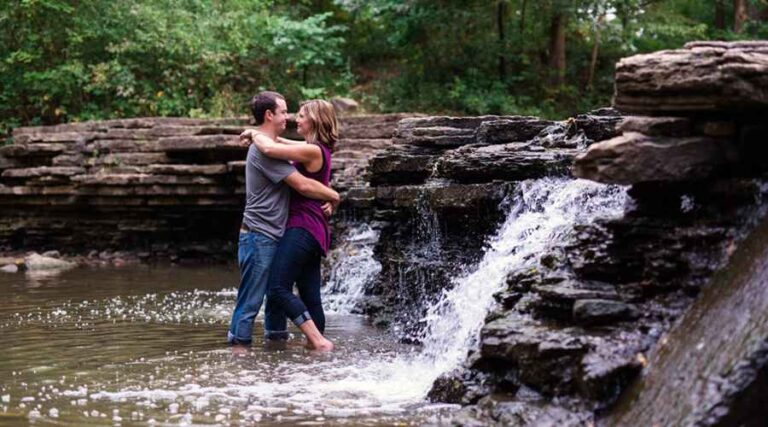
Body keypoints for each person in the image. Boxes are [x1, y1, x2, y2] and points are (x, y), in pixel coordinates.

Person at [227, 91, 340, 346]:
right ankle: (263, 348)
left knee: (277, 290)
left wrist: (334, 195)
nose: (291, 119)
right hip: (272, 232)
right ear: (269, 115)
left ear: (315, 120)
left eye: (299, 115)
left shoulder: (301, 150)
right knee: (284, 297)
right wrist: (257, 134)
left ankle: (315, 342)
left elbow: (301, 183)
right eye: (286, 112)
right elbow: (278, 148)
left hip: (299, 227)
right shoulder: (282, 150)